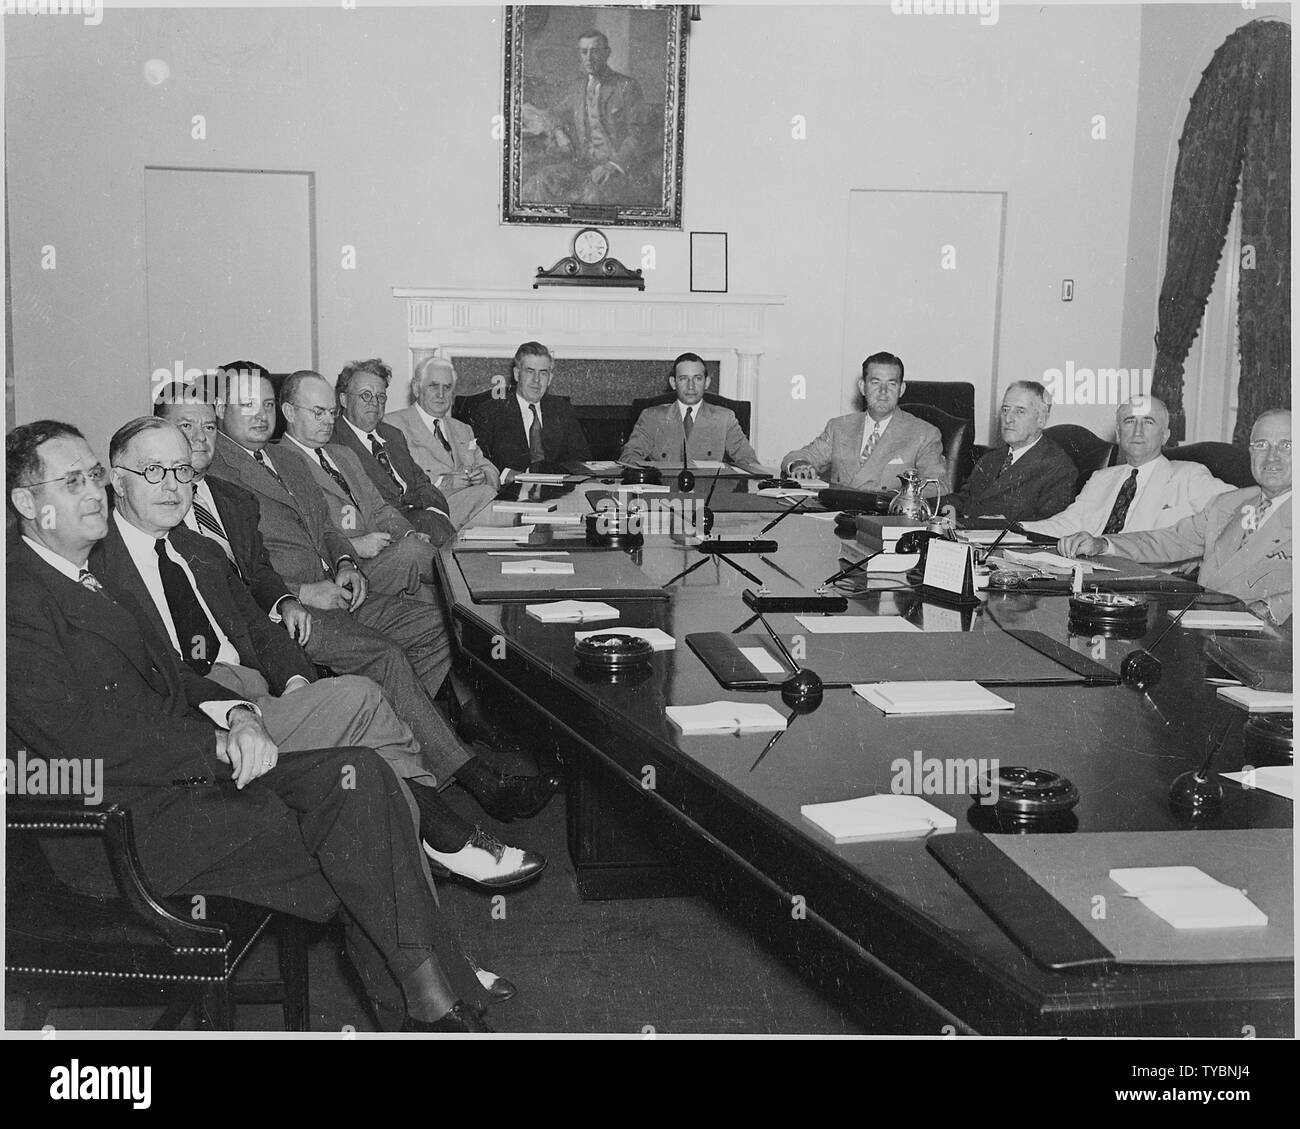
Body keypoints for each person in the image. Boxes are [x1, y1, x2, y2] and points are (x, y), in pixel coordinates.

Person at [6, 420, 490, 1031]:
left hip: (174, 791)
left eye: (93, 477)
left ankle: (428, 1002)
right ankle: (432, 1007)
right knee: (362, 833)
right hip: (115, 829)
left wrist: (234, 713)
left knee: (363, 777)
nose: (94, 493)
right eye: (72, 481)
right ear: (27, 503)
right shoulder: (18, 597)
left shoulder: (82, 572)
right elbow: (77, 743)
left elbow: (173, 676)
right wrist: (215, 740)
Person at [100, 414, 544, 891]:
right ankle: (445, 834)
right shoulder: (100, 565)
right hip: (201, 715)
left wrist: (295, 682)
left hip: (258, 688)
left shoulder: (198, 549)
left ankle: (436, 846)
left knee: (374, 759)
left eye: (182, 471)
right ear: (116, 480)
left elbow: (258, 625)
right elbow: (147, 676)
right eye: (153, 472)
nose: (172, 486)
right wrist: (241, 709)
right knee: (362, 698)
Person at [204, 365, 560, 823]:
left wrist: (347, 563)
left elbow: (328, 529)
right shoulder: (216, 470)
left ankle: (422, 741)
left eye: (267, 405)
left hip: (342, 589)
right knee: (388, 655)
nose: (261, 415)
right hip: (293, 615)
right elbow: (236, 569)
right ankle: (475, 778)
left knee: (446, 625)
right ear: (221, 409)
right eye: (247, 405)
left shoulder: (287, 460)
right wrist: (301, 592)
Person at [1060, 410, 1292, 625]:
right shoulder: (1229, 503)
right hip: (1202, 623)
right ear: (1250, 452)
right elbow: (1170, 540)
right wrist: (1102, 544)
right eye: (1262, 445)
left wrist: (1270, 608)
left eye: (1286, 445)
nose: (1272, 457)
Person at [277, 370, 438, 604]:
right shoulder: (281, 463)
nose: (330, 421)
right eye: (319, 413)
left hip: (383, 557)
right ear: (289, 412)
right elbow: (297, 541)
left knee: (436, 602)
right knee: (419, 557)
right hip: (342, 573)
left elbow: (380, 509)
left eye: (332, 413)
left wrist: (408, 532)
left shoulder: (344, 455)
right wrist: (353, 547)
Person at [1021, 395, 1233, 539]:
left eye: (1148, 422)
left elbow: (1239, 511)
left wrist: (1199, 556)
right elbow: (1066, 524)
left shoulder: (1189, 476)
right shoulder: (1100, 478)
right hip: (1092, 572)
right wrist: (1013, 530)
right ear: (1118, 433)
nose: (1138, 431)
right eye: (1130, 421)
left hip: (1146, 579)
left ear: (1165, 435)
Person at [781, 351, 948, 494]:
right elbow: (799, 456)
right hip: (836, 517)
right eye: (875, 383)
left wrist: (898, 499)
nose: (883, 392)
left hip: (883, 519)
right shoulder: (839, 427)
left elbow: (938, 486)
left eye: (891, 383)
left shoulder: (924, 433)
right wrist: (800, 465)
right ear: (862, 387)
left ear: (901, 389)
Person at [522, 28, 652, 207]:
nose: (589, 58)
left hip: (617, 169)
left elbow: (638, 135)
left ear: (607, 53)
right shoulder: (578, 86)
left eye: (595, 51)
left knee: (591, 199)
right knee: (539, 182)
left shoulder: (627, 87)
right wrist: (559, 132)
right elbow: (554, 113)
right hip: (583, 164)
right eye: (584, 52)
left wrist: (612, 165)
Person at [331, 357, 456, 544]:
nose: (374, 402)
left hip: (424, 518)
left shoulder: (392, 435)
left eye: (380, 397)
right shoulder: (334, 441)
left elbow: (423, 483)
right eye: (365, 395)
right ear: (344, 399)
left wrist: (434, 511)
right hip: (386, 529)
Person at [386, 357, 500, 529]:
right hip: (427, 511)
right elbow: (392, 479)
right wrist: (443, 482)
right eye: (433, 386)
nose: (441, 394)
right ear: (417, 389)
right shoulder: (393, 424)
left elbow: (490, 469)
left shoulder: (462, 429)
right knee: (495, 506)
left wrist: (483, 476)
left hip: (470, 505)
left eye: (447, 387)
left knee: (496, 502)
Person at [939, 381, 1076, 524]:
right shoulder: (991, 458)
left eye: (1020, 411)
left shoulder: (1058, 468)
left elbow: (1048, 527)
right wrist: (924, 504)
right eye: (1005, 409)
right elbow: (965, 501)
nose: (1008, 419)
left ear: (1041, 420)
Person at [619, 351, 767, 472]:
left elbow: (749, 461)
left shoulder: (724, 418)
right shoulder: (652, 417)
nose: (691, 386)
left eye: (697, 378)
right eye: (683, 379)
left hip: (709, 495)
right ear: (673, 383)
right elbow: (628, 458)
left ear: (707, 382)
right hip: (664, 493)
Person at [471, 342, 592, 478]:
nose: (536, 380)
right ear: (517, 374)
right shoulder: (491, 411)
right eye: (530, 371)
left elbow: (581, 458)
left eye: (543, 373)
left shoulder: (563, 410)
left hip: (557, 491)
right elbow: (480, 460)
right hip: (510, 491)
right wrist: (508, 475)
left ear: (550, 378)